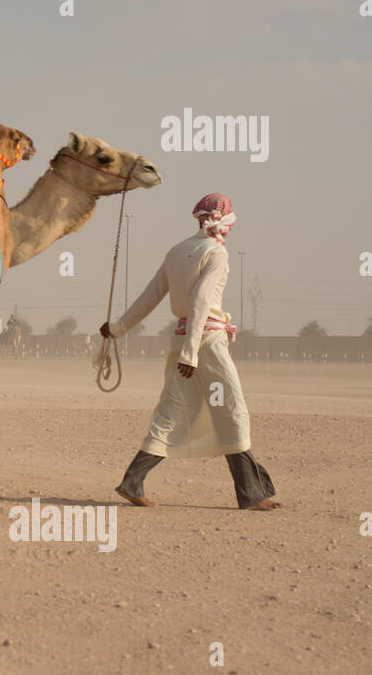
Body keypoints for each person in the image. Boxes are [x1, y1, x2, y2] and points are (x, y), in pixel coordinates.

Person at [100, 193, 280, 511]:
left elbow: (149, 296)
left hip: (183, 336)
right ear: (226, 220)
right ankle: (251, 495)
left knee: (172, 410)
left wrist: (117, 328)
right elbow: (200, 300)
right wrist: (192, 353)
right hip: (206, 341)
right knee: (232, 409)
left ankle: (132, 482)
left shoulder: (177, 250)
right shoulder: (217, 253)